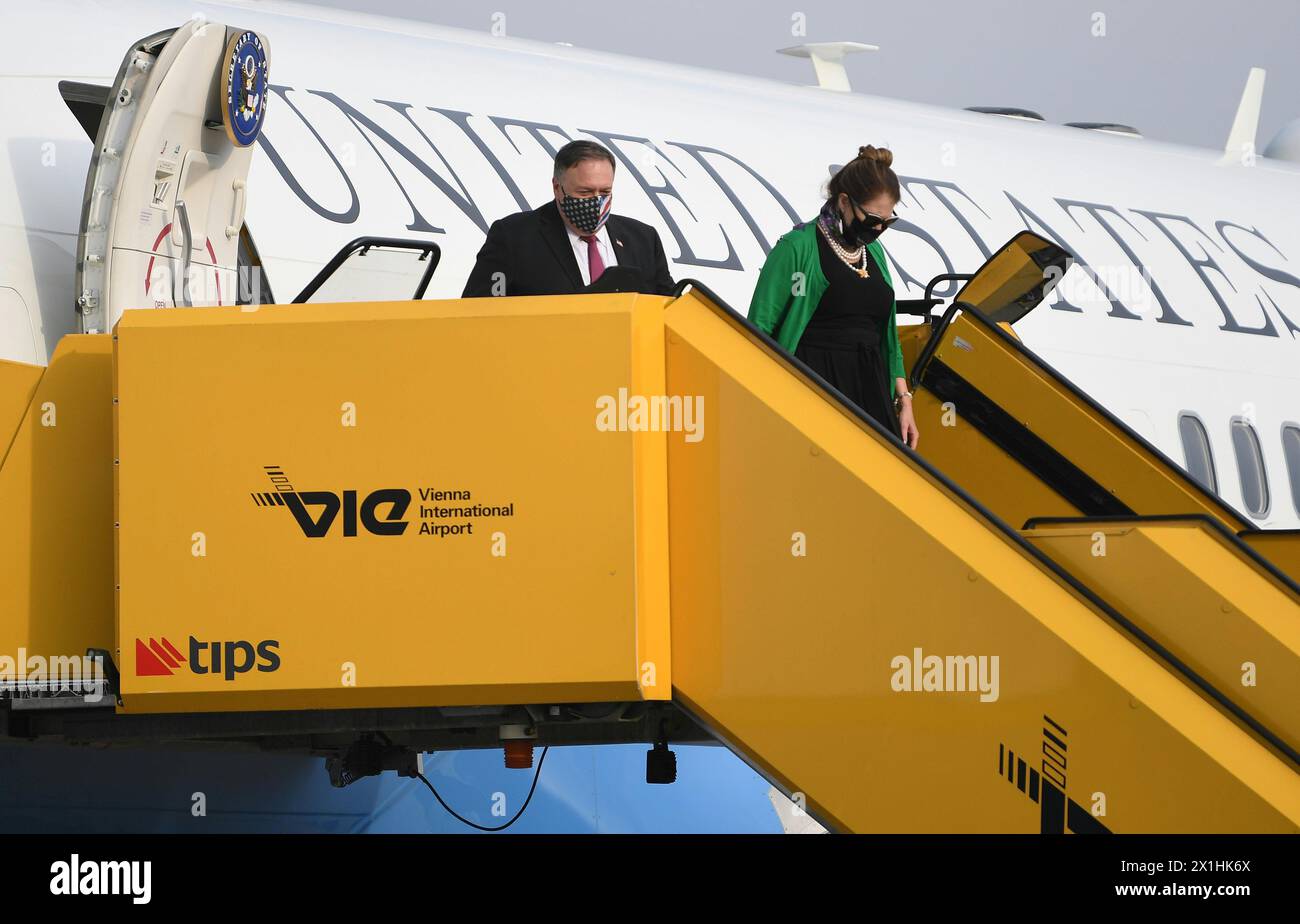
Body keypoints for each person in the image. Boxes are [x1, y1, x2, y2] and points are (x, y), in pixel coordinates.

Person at [747, 145, 918, 448]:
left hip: (870, 389)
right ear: (844, 202)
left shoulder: (873, 252)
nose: (878, 228)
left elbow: (886, 336)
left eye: (887, 222)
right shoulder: (797, 246)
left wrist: (904, 399)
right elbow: (759, 328)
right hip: (812, 384)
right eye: (872, 219)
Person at [462, 140, 675, 298]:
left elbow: (668, 308)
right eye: (585, 192)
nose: (596, 201)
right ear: (557, 187)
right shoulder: (514, 237)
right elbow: (478, 310)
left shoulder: (643, 239)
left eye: (604, 192)